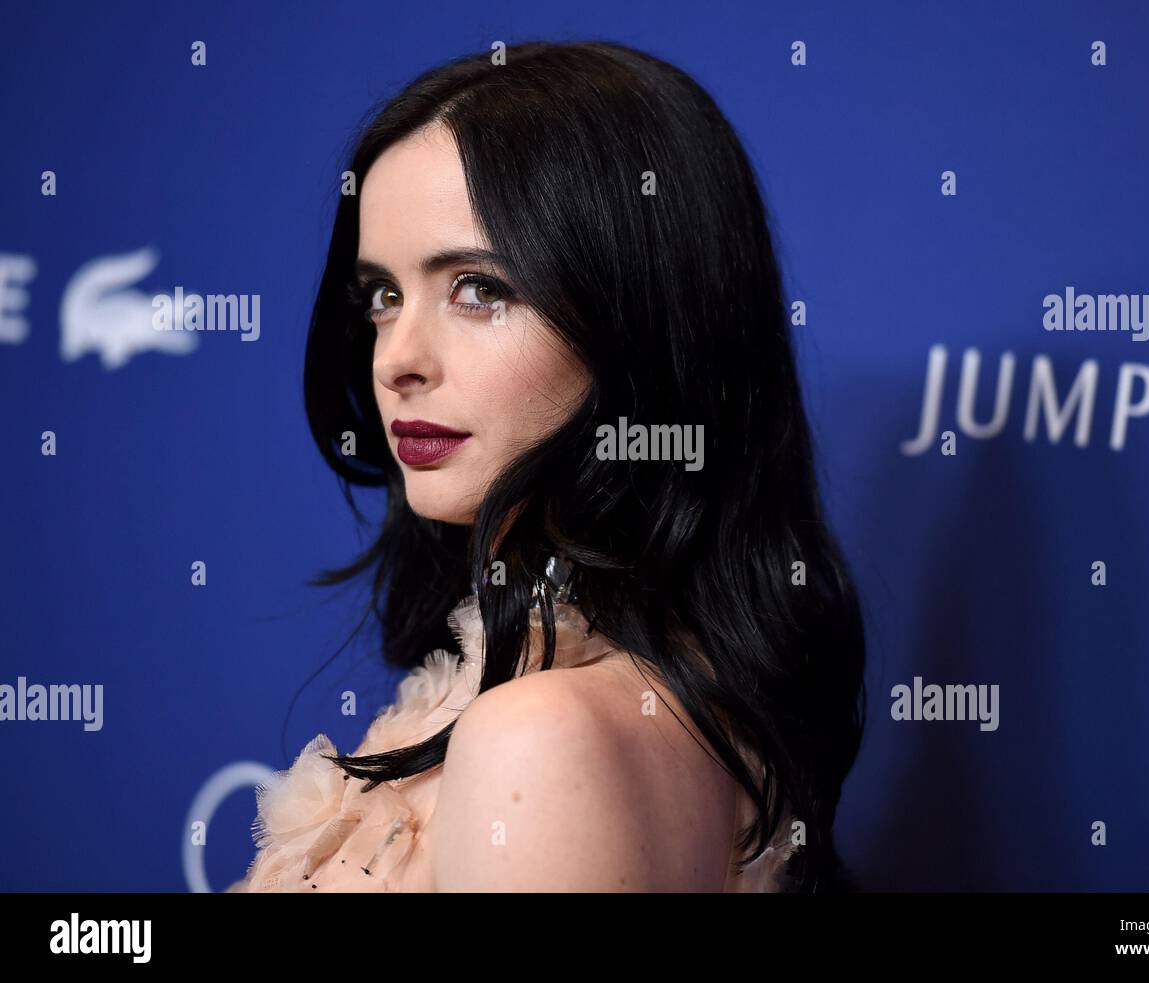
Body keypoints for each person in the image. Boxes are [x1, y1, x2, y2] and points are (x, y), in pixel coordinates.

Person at [228, 39, 866, 893]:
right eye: (383, 295)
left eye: (478, 289)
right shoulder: (664, 693)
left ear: (638, 316)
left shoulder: (540, 733)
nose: (397, 360)